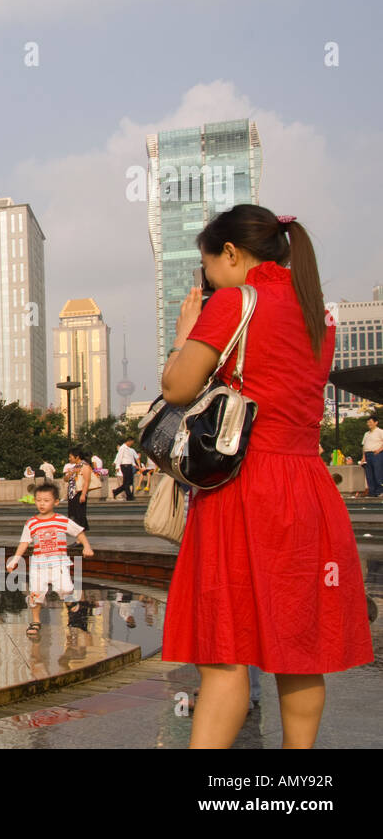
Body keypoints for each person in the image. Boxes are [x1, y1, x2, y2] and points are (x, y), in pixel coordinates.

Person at [159, 204, 373, 748]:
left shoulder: (235, 302)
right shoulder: (315, 313)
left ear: (231, 254)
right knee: (299, 650)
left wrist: (185, 336)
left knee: (224, 654)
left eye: (208, 265)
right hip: (307, 489)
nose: (207, 278)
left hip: (244, 489)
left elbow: (179, 388)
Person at [5, 481, 93, 638]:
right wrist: (15, 559)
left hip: (59, 563)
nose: (41, 504)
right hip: (39, 565)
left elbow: (78, 532)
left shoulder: (61, 520)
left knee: (65, 587)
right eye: (38, 500)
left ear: (56, 502)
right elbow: (24, 542)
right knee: (35, 593)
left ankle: (70, 601)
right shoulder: (31, 523)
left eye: (46, 500)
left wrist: (87, 546)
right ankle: (36, 621)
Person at [66, 449, 93, 532]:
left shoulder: (85, 466)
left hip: (79, 493)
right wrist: (70, 474)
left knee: (79, 516)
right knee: (74, 516)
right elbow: (65, 479)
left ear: (77, 457)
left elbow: (87, 481)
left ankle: (80, 540)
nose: (69, 458)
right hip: (72, 494)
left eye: (70, 456)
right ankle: (79, 539)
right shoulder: (74, 467)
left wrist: (83, 494)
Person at [362, 414, 383, 498]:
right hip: (367, 455)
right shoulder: (366, 434)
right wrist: (363, 456)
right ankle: (372, 491)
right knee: (369, 474)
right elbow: (363, 446)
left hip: (376, 455)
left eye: (370, 422)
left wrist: (379, 450)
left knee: (378, 473)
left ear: (376, 422)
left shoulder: (380, 431)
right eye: (368, 422)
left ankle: (380, 491)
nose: (368, 424)